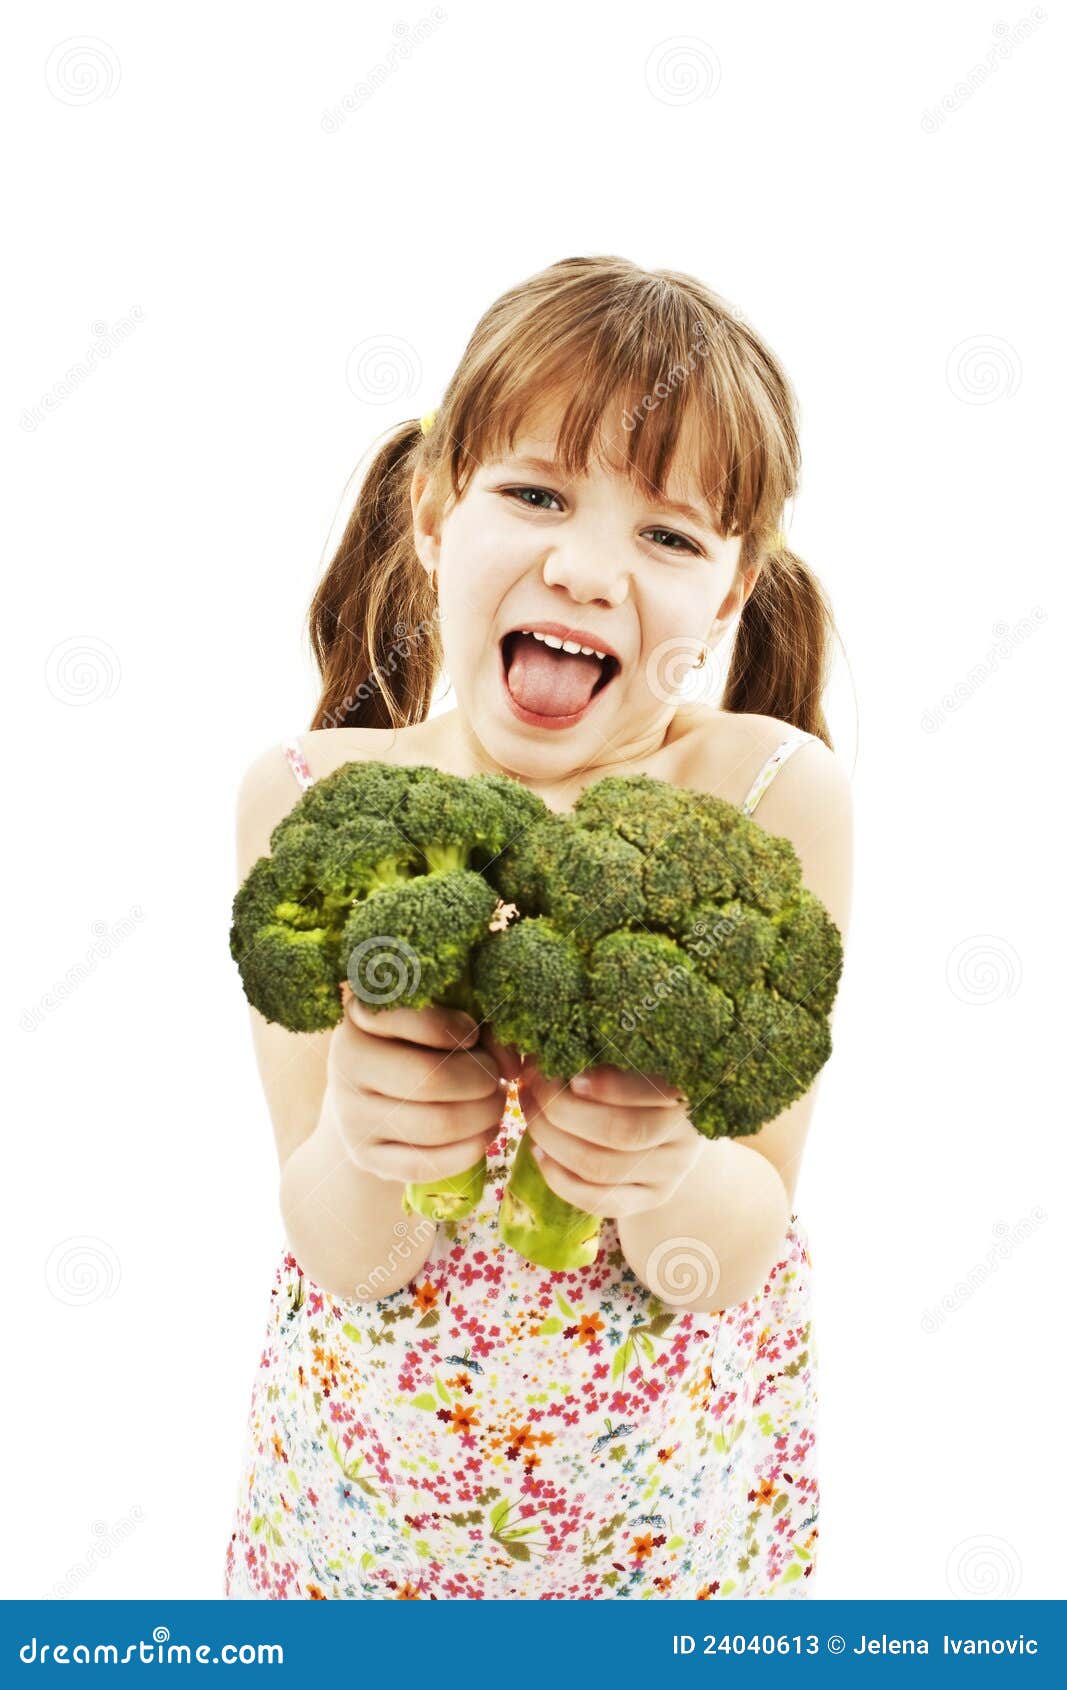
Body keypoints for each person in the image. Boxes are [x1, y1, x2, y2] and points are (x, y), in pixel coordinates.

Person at [223, 255, 853, 1600]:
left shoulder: (766, 793)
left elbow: (732, 1246)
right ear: (437, 513)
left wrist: (665, 1164)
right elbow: (345, 1249)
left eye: (670, 536)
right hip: (361, 1536)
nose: (584, 566)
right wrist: (364, 1136)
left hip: (675, 1553)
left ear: (730, 599)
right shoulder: (308, 800)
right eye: (535, 492)